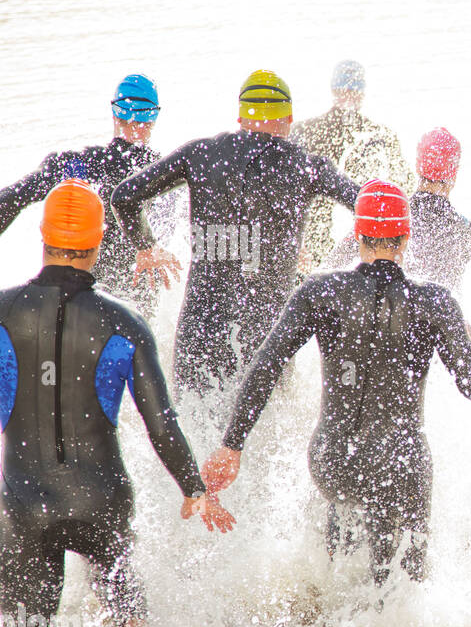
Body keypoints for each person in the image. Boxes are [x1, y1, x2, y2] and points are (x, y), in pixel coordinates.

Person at [202, 181, 471, 589]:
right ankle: (386, 617)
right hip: (399, 465)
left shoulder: (320, 291)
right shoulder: (435, 302)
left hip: (333, 459)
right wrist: (466, 340)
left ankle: (330, 602)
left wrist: (232, 445)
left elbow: (266, 364)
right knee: (398, 582)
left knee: (345, 520)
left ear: (358, 235)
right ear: (405, 237)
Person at [0, 181, 232, 627]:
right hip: (101, 501)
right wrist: (195, 490)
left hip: (24, 502)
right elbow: (161, 425)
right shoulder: (123, 320)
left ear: (42, 237)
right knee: (129, 626)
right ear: (99, 241)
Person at [111, 70, 359, 396]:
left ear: (241, 116)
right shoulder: (307, 167)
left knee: (192, 429)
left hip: (200, 329)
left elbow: (124, 197)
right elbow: (374, 206)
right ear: (288, 119)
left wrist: (146, 247)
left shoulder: (199, 154)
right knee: (262, 434)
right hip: (267, 338)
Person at [0, 74, 174, 318]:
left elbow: (11, 198)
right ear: (153, 117)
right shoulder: (165, 173)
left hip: (82, 292)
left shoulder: (80, 164)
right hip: (136, 304)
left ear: (116, 113)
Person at [329, 128, 471, 293]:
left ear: (418, 168)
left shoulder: (386, 219)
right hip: (443, 316)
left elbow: (331, 266)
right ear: (453, 174)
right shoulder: (470, 234)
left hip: (393, 314)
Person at [291, 60, 415, 275]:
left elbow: (285, 190)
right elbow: (405, 187)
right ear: (363, 93)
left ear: (333, 90)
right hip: (366, 247)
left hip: (313, 244)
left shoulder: (304, 131)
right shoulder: (379, 135)